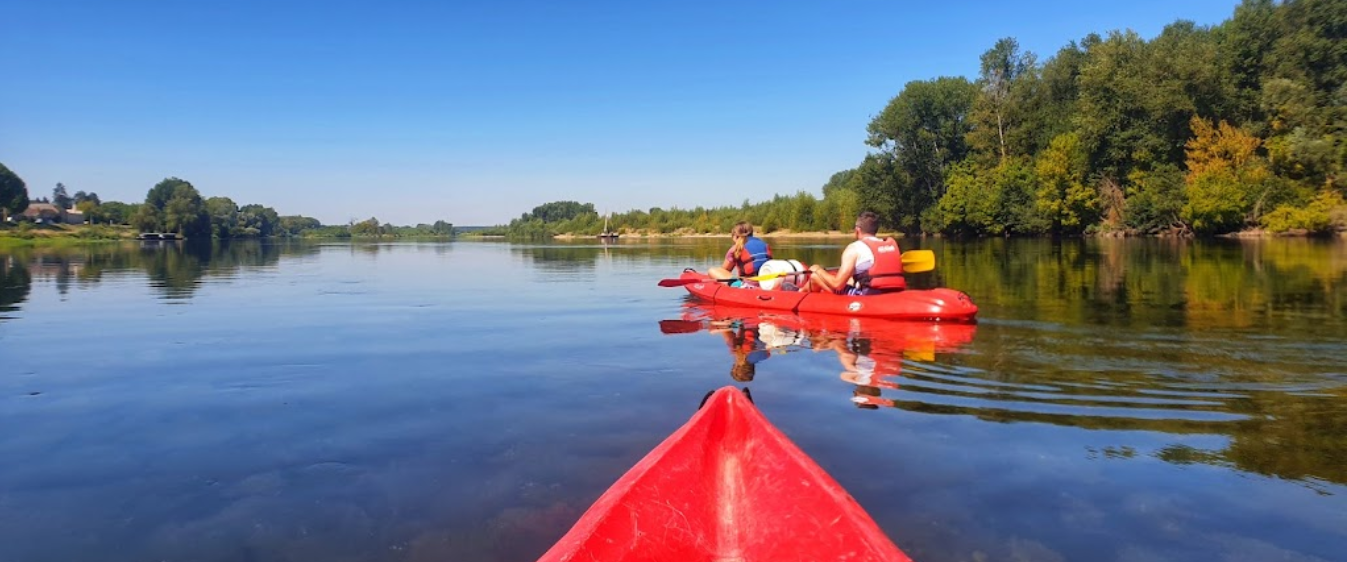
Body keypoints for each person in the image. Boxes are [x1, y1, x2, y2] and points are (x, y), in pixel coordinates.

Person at [804, 211, 906, 295]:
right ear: (875, 230)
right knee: (849, 280)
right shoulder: (888, 245)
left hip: (867, 296)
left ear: (857, 230)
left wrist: (817, 269)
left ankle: (798, 293)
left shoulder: (854, 248)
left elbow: (837, 284)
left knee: (814, 276)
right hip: (893, 292)